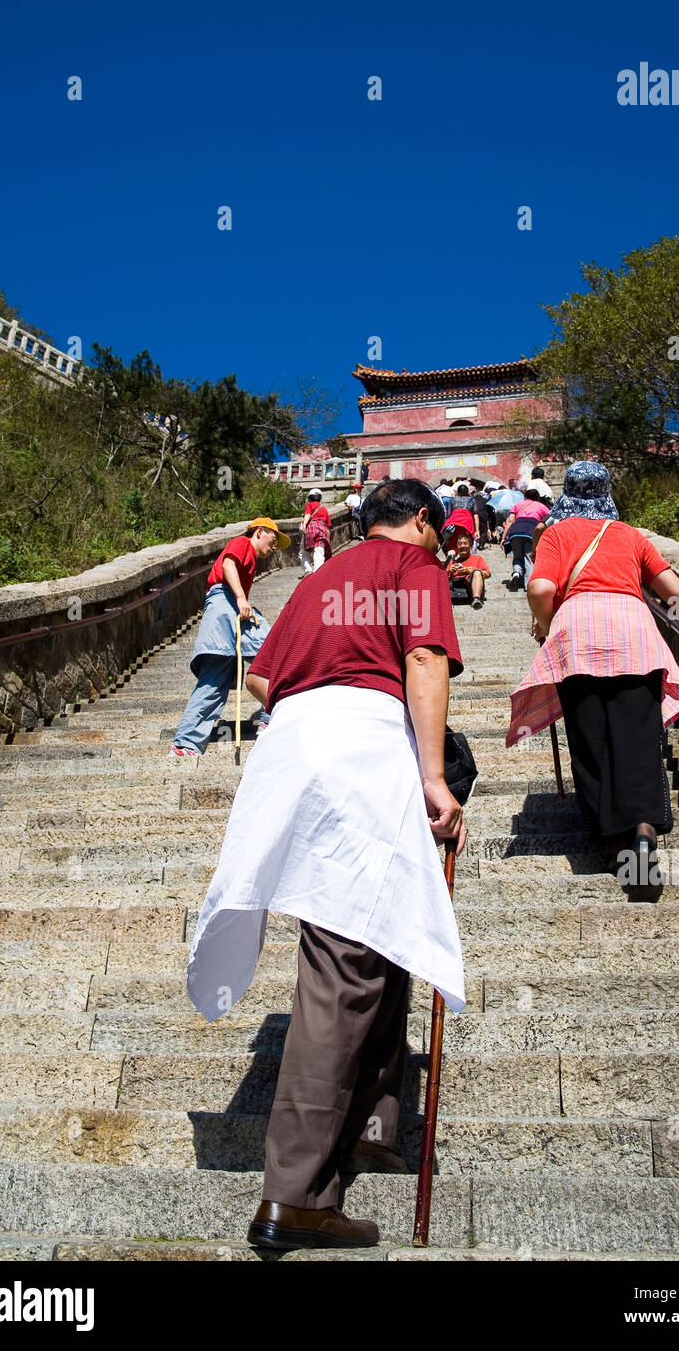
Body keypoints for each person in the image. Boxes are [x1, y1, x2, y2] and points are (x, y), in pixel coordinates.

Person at [187, 479, 467, 1250]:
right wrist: (435, 778)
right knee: (345, 959)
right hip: (363, 750)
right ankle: (296, 1196)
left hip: (293, 749)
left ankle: (375, 1120)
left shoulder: (318, 579)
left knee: (380, 931)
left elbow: (262, 677)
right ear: (419, 521)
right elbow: (424, 658)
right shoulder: (415, 570)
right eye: (436, 532)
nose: (440, 545)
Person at [507, 461, 679, 879]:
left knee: (591, 743)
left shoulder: (556, 534)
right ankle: (643, 831)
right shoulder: (629, 536)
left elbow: (540, 588)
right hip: (634, 636)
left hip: (578, 641)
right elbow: (676, 595)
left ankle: (616, 844)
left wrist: (549, 623)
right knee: (637, 738)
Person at [168, 519, 289, 758]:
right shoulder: (243, 543)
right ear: (260, 532)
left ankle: (186, 744)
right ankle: (270, 716)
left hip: (226, 606)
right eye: (274, 541)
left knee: (220, 676)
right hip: (227, 604)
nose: (275, 547)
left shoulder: (252, 557)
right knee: (264, 654)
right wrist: (241, 598)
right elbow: (228, 565)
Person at [502, 488, 551, 590]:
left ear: (525, 497)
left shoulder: (518, 505)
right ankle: (528, 585)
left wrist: (503, 537)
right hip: (531, 532)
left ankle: (516, 573)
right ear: (537, 498)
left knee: (517, 556)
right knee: (529, 558)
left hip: (516, 532)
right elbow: (549, 519)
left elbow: (510, 520)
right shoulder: (541, 506)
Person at [446, 532, 490, 609]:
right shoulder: (452, 562)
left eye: (465, 543)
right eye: (459, 544)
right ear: (456, 547)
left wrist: (470, 571)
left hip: (471, 587)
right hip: (455, 588)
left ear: (470, 546)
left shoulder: (478, 559)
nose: (462, 546)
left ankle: (476, 599)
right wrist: (449, 571)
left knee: (476, 572)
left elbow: (487, 574)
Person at [300, 489, 332, 574]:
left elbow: (307, 514)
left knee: (304, 552)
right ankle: (318, 573)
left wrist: (304, 525)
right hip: (323, 530)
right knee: (319, 552)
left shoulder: (309, 505)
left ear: (309, 498)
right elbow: (328, 525)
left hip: (311, 529)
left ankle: (308, 570)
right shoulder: (324, 509)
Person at [442, 483, 477, 553]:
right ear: (467, 492)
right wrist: (477, 530)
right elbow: (476, 515)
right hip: (467, 523)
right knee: (466, 541)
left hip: (453, 522)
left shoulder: (452, 500)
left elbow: (448, 515)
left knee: (452, 543)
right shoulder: (472, 500)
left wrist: (445, 526)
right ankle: (465, 557)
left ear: (458, 491)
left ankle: (451, 555)